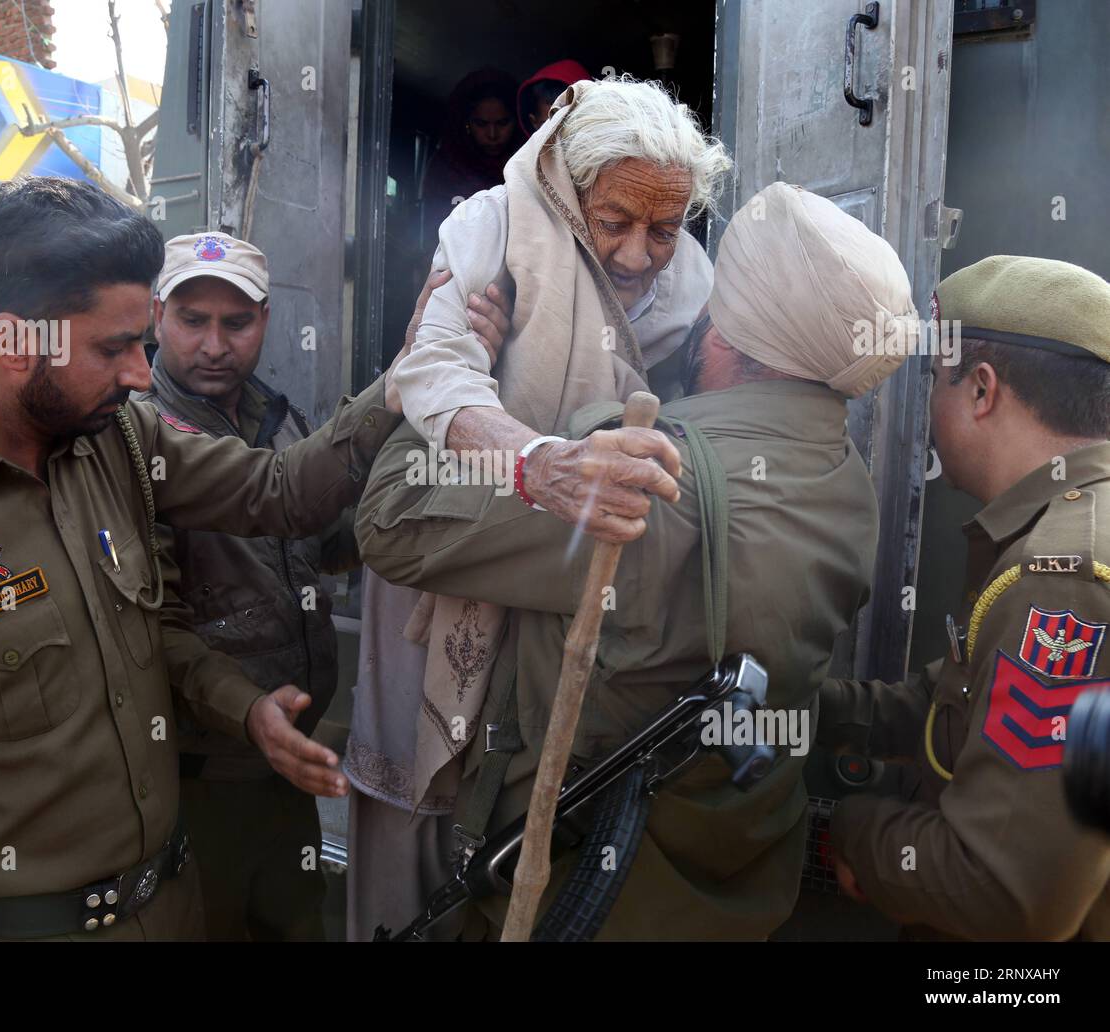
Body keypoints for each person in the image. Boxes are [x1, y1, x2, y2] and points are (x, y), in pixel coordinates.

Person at [0, 176, 405, 941]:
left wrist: (406, 379)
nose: (138, 374)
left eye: (143, 346)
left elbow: (281, 491)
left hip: (174, 905)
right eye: (115, 348)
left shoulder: (122, 444)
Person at [354, 182, 918, 940]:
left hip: (586, 902)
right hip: (740, 893)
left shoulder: (643, 482)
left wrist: (447, 378)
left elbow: (391, 521)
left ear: (725, 336)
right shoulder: (845, 476)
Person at [343, 74, 729, 940]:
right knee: (413, 792)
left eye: (662, 229)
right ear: (569, 188)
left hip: (564, 560)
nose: (637, 255)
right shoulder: (495, 222)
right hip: (450, 538)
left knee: (507, 787)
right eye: (615, 222)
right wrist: (539, 462)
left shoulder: (691, 277)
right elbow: (434, 372)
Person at [134, 232, 511, 940]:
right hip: (196, 780)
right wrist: (249, 714)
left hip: (284, 769)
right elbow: (157, 629)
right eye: (192, 320)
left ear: (266, 321)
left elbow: (329, 540)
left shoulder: (280, 419)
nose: (214, 343)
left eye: (236, 322)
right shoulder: (140, 436)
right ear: (157, 317)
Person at [821, 255, 1110, 940]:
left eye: (933, 384)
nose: (925, 410)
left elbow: (1007, 894)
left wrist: (856, 830)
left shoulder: (1060, 576)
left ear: (980, 391)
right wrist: (798, 710)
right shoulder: (1068, 532)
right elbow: (961, 701)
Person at [421, 67, 520, 245]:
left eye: (503, 123)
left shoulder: (528, 168)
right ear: (466, 123)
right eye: (481, 123)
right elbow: (432, 237)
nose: (492, 134)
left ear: (519, 121)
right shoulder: (444, 170)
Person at [516, 59, 591, 136]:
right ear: (534, 122)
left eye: (570, 122)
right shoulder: (531, 148)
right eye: (550, 126)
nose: (560, 136)